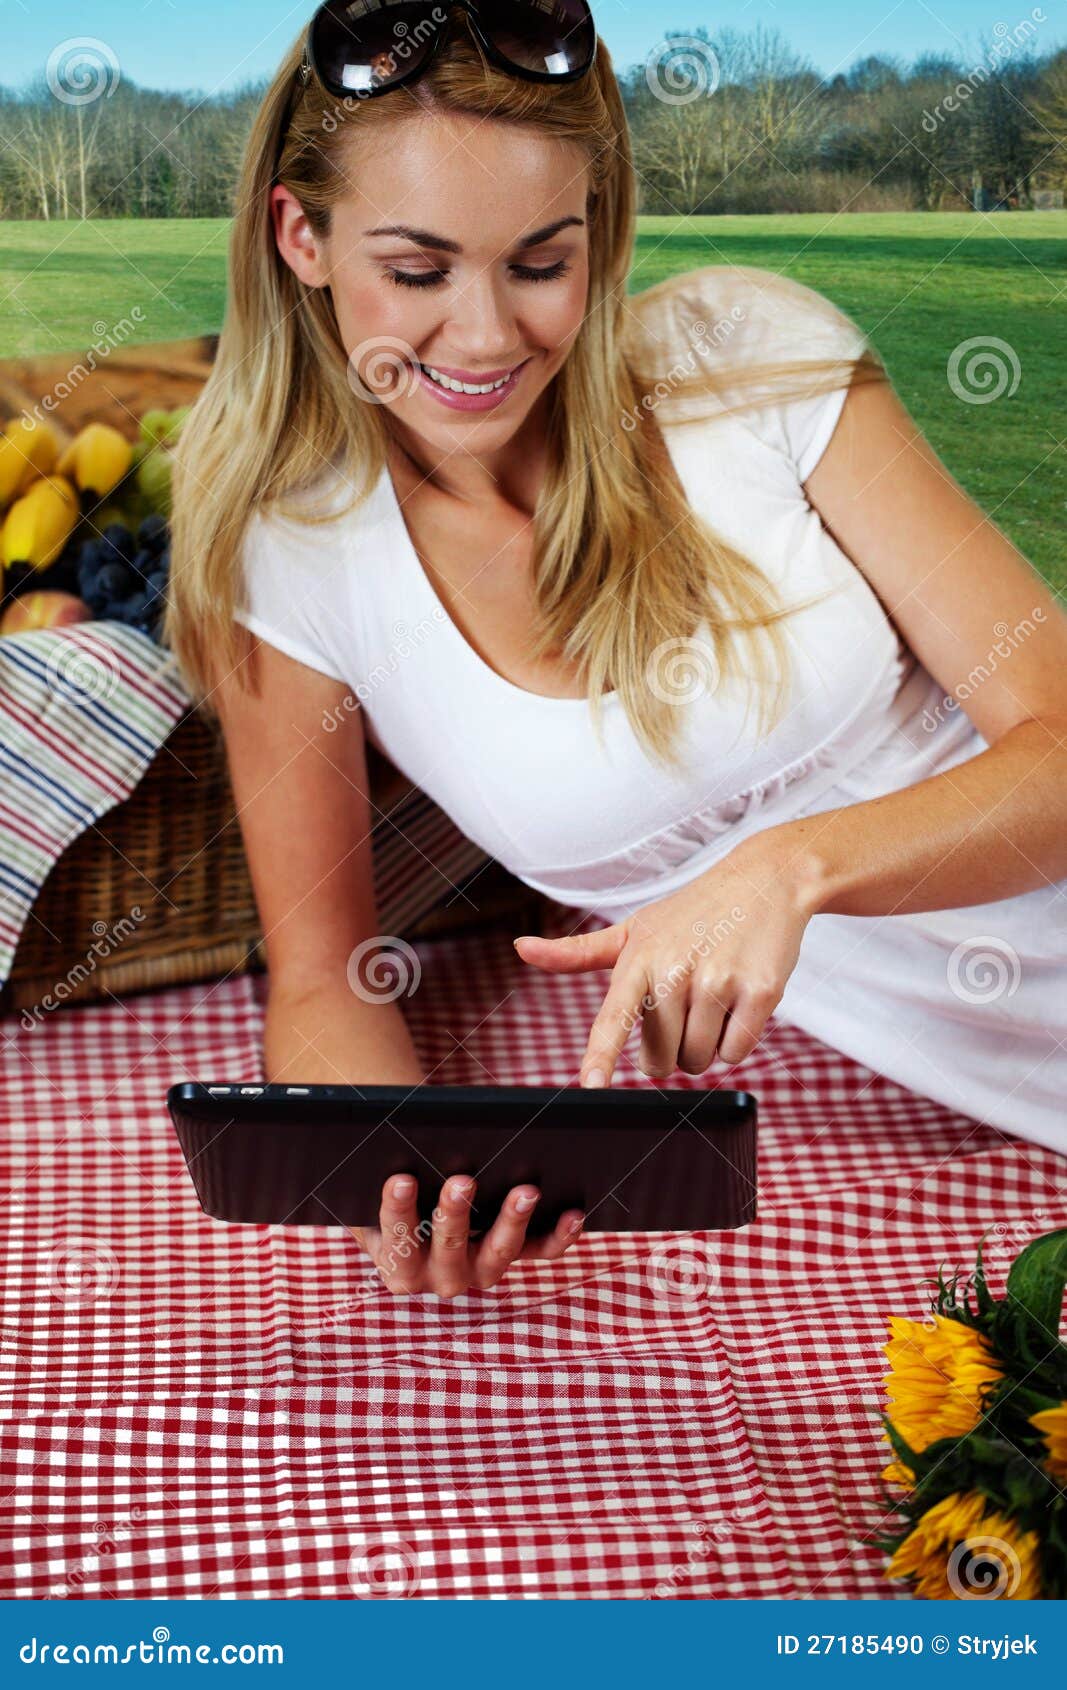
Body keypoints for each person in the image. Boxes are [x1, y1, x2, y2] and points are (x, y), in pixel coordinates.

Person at [166, 2, 1067, 1300]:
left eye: (541, 262)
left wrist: (786, 871)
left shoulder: (747, 358)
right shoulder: (293, 554)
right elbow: (324, 978)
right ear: (300, 237)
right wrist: (402, 1179)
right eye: (417, 272)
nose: (483, 338)